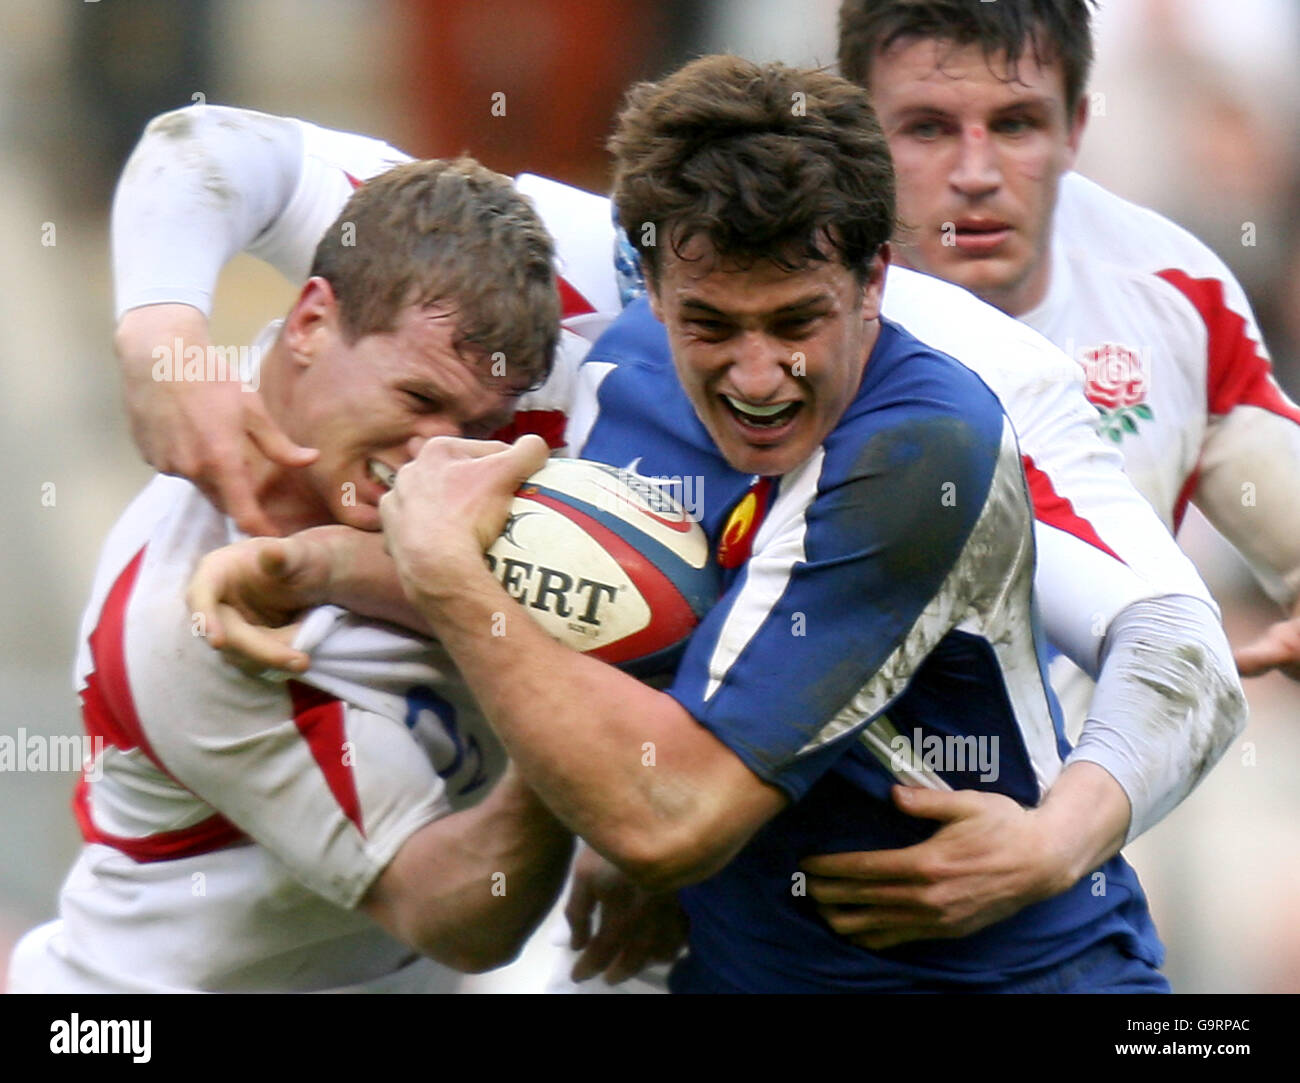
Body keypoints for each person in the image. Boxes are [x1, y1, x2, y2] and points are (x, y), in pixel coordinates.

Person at [188, 57, 1244, 992]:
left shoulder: (918, 448)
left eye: (796, 324)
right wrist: (317, 564)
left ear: (875, 279)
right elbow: (622, 597)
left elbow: (667, 819)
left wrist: (1061, 838)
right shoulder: (624, 369)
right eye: (711, 326)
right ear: (646, 288)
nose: (756, 379)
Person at [6, 159, 578, 993]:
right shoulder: (193, 619)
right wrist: (571, 718)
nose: (437, 456)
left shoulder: (465, 452)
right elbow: (454, 910)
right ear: (311, 320)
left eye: (480, 424)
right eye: (417, 398)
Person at [837, 0, 1300, 700]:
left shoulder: (1176, 295)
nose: (977, 172)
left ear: (1075, 127)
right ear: (858, 135)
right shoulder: (775, 311)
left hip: (1101, 794)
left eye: (1015, 123)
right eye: (927, 128)